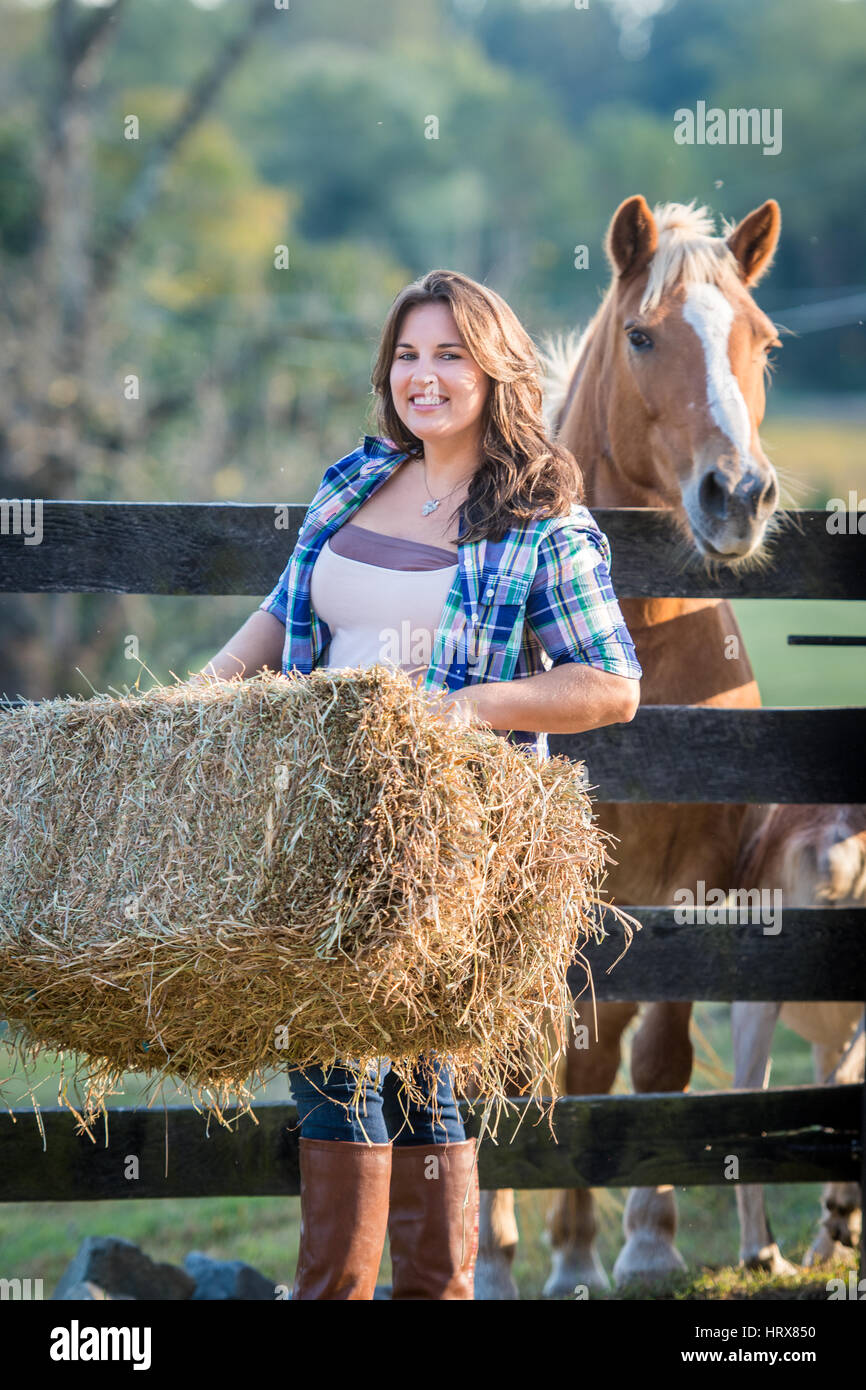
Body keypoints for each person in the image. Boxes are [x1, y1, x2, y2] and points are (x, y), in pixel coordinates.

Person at [193, 269, 642, 1300]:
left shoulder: (537, 518)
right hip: (313, 825)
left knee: (409, 1069)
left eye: (448, 354)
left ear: (492, 369)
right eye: (406, 354)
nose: (422, 376)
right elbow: (276, 617)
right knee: (334, 1067)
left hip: (443, 839)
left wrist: (462, 709)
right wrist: (186, 707)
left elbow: (608, 685)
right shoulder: (351, 483)